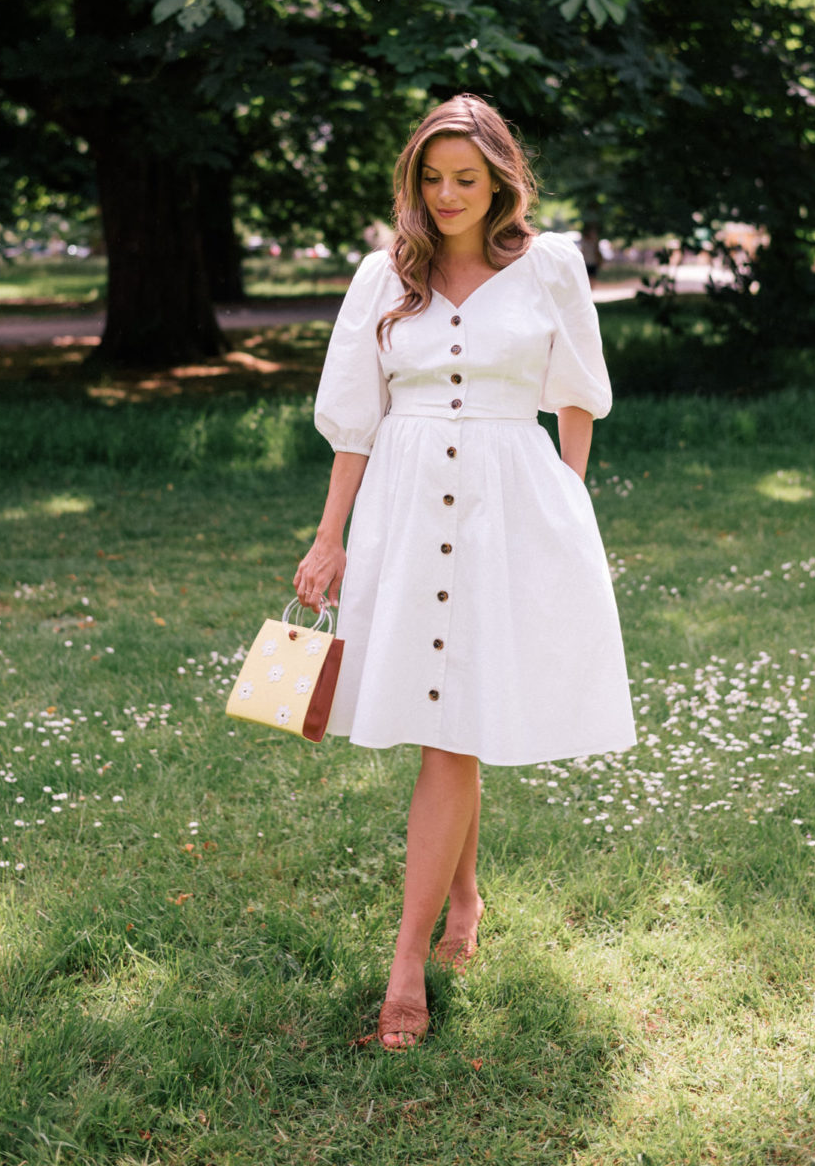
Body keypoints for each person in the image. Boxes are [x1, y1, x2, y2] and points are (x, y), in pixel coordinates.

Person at [293, 94, 635, 1050]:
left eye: (466, 180)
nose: (447, 197)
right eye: (432, 179)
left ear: (501, 182)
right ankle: (466, 901)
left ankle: (406, 966)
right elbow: (355, 421)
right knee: (445, 719)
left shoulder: (549, 269)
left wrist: (565, 506)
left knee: (452, 729)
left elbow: (577, 398)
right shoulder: (382, 276)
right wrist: (330, 538)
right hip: (404, 505)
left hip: (508, 507)